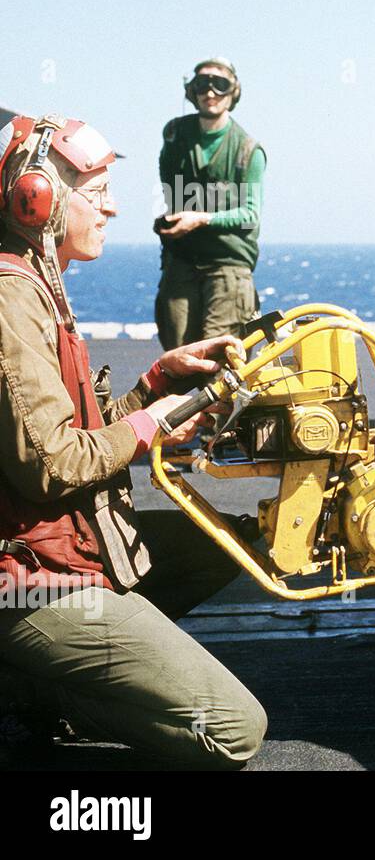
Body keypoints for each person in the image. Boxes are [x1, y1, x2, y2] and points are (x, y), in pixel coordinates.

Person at [0, 113, 266, 766]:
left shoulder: (38, 286)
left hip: (60, 547)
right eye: (96, 193)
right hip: (29, 580)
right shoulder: (9, 299)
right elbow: (55, 467)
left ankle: (46, 677)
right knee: (233, 730)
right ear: (38, 198)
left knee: (222, 542)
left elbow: (77, 433)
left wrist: (155, 384)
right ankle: (37, 687)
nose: (113, 208)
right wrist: (158, 422)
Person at [154, 58, 266, 351]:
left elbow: (250, 215)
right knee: (177, 359)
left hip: (228, 265)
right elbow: (171, 191)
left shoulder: (248, 150)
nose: (211, 92)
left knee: (219, 363)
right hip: (182, 261)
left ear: (233, 92)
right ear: (192, 91)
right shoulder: (175, 136)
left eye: (221, 84)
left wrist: (200, 219)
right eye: (203, 84)